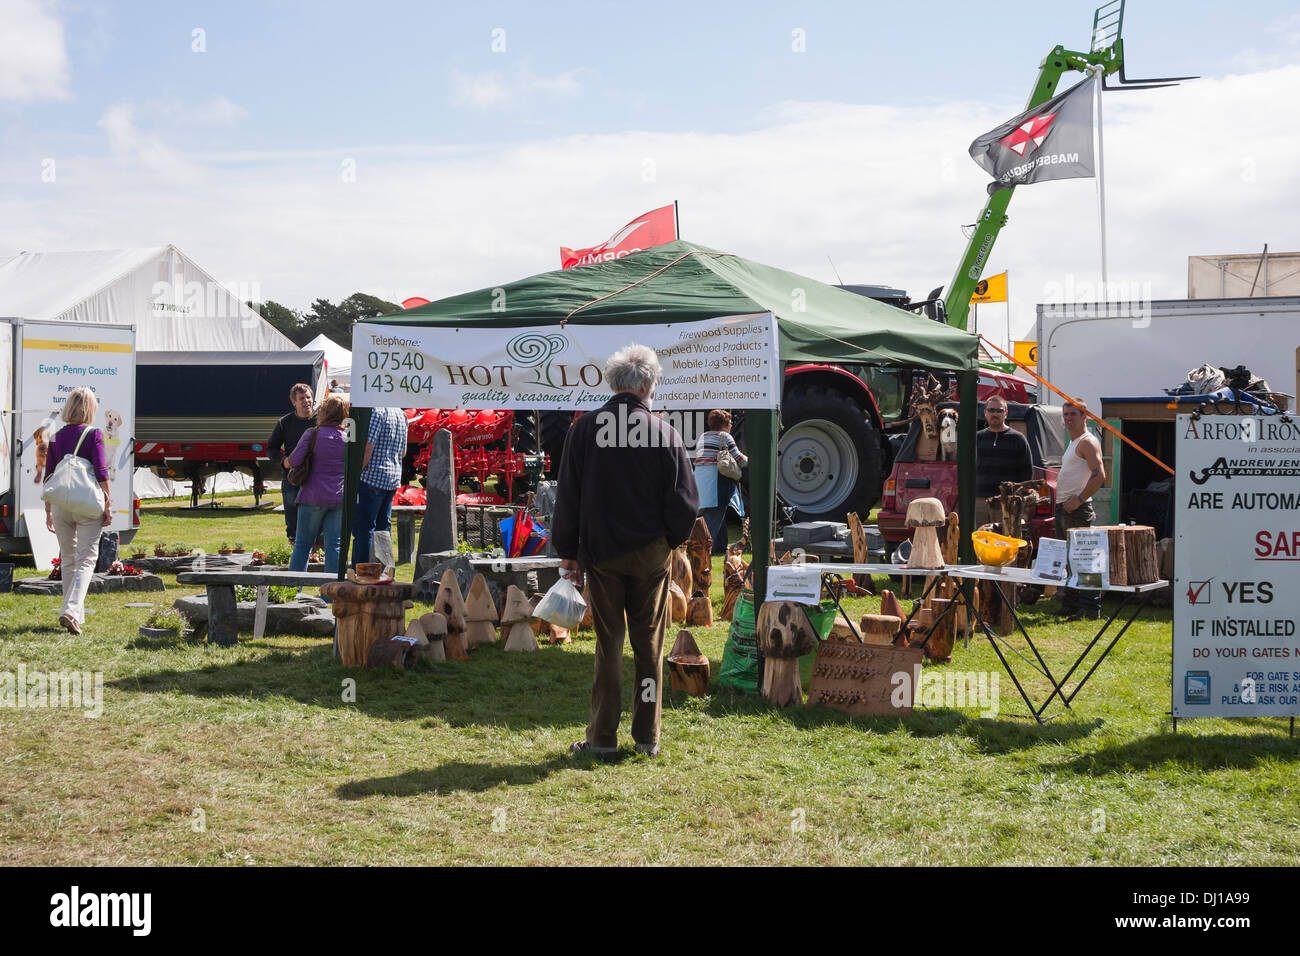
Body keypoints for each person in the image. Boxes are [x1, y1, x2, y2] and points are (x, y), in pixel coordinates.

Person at [553, 344, 699, 761]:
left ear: (614, 383)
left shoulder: (584, 429)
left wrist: (569, 550)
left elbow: (569, 496)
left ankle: (602, 737)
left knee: (609, 645)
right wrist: (669, 541)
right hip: (650, 553)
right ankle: (647, 736)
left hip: (601, 552)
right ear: (646, 385)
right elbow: (686, 501)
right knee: (649, 644)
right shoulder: (665, 432)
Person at [42, 387, 112, 635]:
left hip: (61, 504)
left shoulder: (56, 436)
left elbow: (49, 474)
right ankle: (71, 611)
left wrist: (48, 510)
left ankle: (72, 614)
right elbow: (101, 472)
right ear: (90, 409)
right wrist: (108, 504)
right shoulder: (93, 435)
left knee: (69, 559)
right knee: (87, 559)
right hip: (87, 503)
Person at [286, 393, 349, 574]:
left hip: (312, 495)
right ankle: (333, 588)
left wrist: (285, 462)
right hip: (339, 496)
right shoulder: (348, 437)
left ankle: (293, 586)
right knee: (334, 546)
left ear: (323, 412)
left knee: (303, 544)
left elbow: (294, 461)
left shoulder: (312, 433)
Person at [1056, 400, 1106, 620]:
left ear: (1084, 415)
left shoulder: (1087, 441)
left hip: (1077, 509)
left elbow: (1100, 475)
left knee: (1083, 559)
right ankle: (1071, 604)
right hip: (1066, 508)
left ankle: (1090, 608)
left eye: (1073, 414)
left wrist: (1079, 499)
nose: (1068, 418)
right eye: (1066, 414)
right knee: (1070, 560)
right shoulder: (1074, 441)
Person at [351, 406, 407, 567]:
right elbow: (403, 452)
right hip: (392, 477)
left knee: (364, 529)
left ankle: (360, 570)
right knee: (383, 528)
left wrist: (356, 473)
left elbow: (368, 446)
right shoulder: (401, 413)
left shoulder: (377, 411)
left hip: (372, 476)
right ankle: (385, 570)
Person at [694, 409, 748, 555]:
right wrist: (755, 461)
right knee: (713, 520)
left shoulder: (703, 436)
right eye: (730, 422)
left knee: (717, 516)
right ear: (724, 424)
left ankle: (719, 549)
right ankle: (703, 552)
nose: (731, 425)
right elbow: (740, 459)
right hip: (716, 483)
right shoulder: (725, 436)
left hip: (700, 481)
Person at [974, 395, 1032, 529]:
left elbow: (1027, 474)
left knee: (1004, 539)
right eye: (991, 410)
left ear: (1006, 413)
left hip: (1006, 503)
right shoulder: (977, 438)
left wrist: (1023, 507)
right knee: (979, 539)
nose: (995, 414)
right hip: (980, 502)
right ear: (985, 413)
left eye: (999, 411)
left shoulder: (1018, 439)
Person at [269, 384, 315, 544]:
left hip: (316, 478)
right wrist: (284, 461)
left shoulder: (321, 420)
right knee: (293, 521)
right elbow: (271, 448)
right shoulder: (284, 422)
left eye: (308, 397)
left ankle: (318, 552)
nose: (306, 401)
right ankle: (294, 548)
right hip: (292, 478)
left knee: (317, 520)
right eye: (302, 398)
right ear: (293, 402)